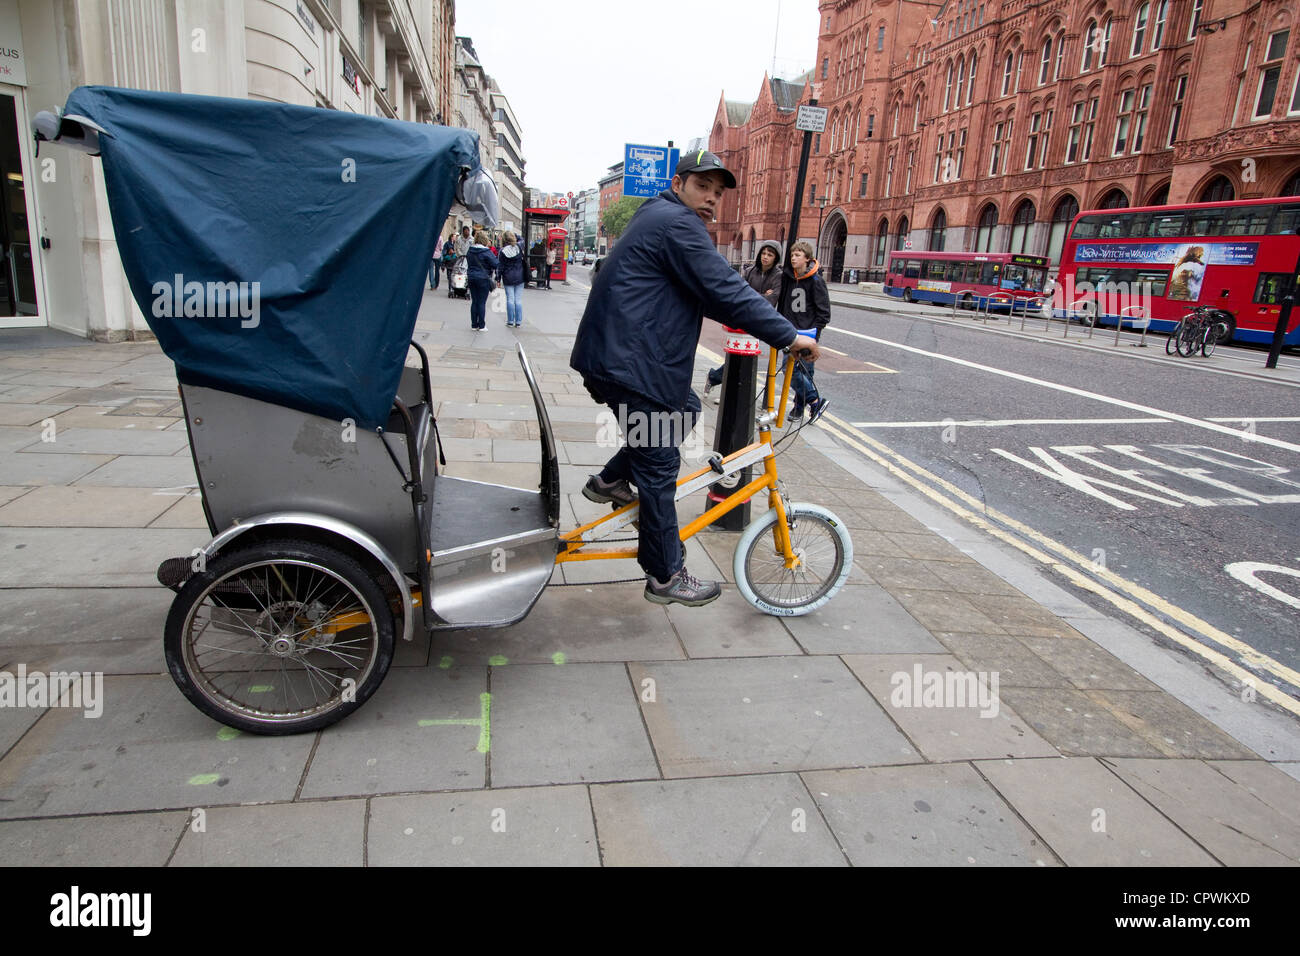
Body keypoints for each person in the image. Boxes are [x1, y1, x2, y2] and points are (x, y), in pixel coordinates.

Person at [571, 150, 820, 608]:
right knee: (659, 469)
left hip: (621, 359)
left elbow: (708, 292)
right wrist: (788, 336)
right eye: (703, 187)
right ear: (681, 182)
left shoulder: (659, 214)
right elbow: (724, 287)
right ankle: (666, 575)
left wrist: (748, 317)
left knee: (686, 409)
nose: (711, 199)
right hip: (634, 367)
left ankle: (608, 482)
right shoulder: (677, 224)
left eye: (718, 193)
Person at [705, 241, 784, 397]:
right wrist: (762, 296)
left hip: (761, 319)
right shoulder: (751, 271)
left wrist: (752, 296)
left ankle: (717, 379)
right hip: (744, 318)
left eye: (770, 254)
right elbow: (739, 293)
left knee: (744, 356)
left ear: (776, 258)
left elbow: (772, 300)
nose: (765, 257)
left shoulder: (778, 276)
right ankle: (724, 384)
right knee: (739, 355)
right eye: (763, 253)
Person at [782, 240, 831, 421]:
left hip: (807, 333)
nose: (793, 258)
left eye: (798, 255)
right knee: (794, 370)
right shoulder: (788, 278)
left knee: (802, 372)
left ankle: (808, 404)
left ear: (807, 259)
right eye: (792, 255)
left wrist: (814, 336)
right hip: (789, 331)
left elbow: (824, 313)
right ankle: (811, 404)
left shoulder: (816, 281)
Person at [465, 230, 498, 330]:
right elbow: (495, 264)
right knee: (481, 302)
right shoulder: (487, 252)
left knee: (474, 301)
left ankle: (474, 325)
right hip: (483, 278)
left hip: (471, 277)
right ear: (485, 240)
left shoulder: (470, 250)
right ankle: (482, 325)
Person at [496, 230, 526, 328]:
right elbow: (522, 239)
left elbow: (500, 266)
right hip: (519, 276)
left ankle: (510, 321)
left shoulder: (502, 251)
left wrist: (498, 278)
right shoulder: (519, 246)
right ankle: (518, 322)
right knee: (518, 300)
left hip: (508, 277)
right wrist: (515, 235)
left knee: (510, 300)